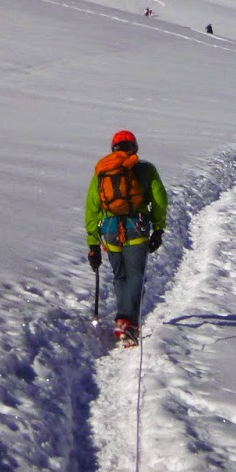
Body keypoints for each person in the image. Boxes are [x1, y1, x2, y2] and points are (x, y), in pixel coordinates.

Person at [85, 129, 168, 346]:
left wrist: (93, 244)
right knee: (135, 277)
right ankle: (128, 322)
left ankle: (123, 319)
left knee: (120, 276)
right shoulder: (145, 169)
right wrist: (158, 228)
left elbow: (92, 207)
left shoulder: (102, 171)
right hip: (136, 228)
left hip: (109, 231)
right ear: (134, 147)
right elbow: (159, 199)